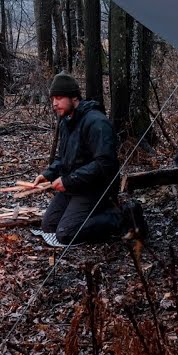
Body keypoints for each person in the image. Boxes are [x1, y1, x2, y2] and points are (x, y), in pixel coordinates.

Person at [32, 73, 122, 244]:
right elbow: (63, 158)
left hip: (96, 188)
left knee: (66, 233)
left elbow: (105, 165)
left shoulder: (96, 122)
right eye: (53, 99)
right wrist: (48, 174)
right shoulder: (68, 120)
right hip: (74, 185)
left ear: (74, 97)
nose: (54, 104)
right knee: (48, 225)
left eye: (59, 98)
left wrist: (68, 181)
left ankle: (119, 217)